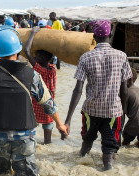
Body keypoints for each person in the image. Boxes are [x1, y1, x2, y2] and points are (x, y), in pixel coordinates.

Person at [0, 28, 67, 175]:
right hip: (24, 137)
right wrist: (59, 124)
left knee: (1, 173)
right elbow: (48, 103)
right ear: (18, 50)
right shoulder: (32, 75)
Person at [63, 20, 132, 171]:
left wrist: (67, 120)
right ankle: (109, 171)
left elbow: (78, 90)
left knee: (86, 143)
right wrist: (124, 112)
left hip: (90, 112)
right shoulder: (121, 56)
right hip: (114, 112)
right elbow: (125, 90)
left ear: (94, 36)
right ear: (111, 34)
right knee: (109, 150)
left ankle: (76, 170)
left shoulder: (85, 58)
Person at [24, 26, 57, 144]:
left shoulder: (40, 69)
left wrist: (33, 33)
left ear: (42, 58)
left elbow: (26, 50)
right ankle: (48, 147)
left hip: (38, 103)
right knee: (48, 128)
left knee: (31, 129)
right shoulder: (52, 69)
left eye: (36, 56)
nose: (34, 57)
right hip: (49, 102)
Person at [122, 68, 139, 147]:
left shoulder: (126, 93)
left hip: (134, 125)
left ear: (128, 79)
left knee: (124, 145)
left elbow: (121, 116)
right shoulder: (137, 90)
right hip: (136, 123)